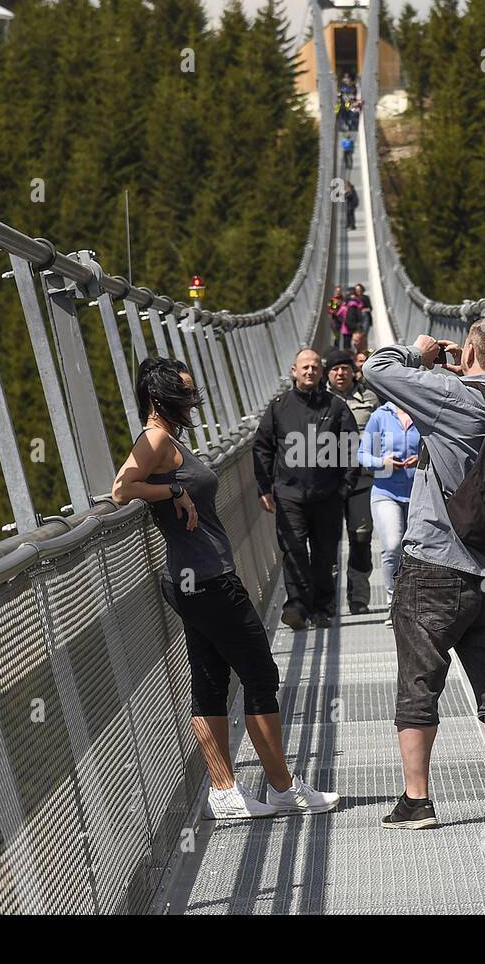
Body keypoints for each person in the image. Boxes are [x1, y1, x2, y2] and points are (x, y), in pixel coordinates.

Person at [111, 357, 339, 819]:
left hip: (191, 579)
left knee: (211, 682)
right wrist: (172, 492)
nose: (193, 402)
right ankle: (282, 788)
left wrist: (173, 491)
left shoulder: (168, 439)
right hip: (208, 581)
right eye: (185, 394)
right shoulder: (155, 438)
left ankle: (224, 792)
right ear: (161, 398)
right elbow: (121, 488)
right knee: (259, 675)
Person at [361, 318, 485, 831]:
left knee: (418, 682)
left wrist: (421, 352)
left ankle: (418, 801)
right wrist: (467, 369)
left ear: (472, 353)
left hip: (435, 562)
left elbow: (376, 368)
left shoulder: (451, 396)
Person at [253, 348, 359, 631]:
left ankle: (323, 608)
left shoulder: (336, 407)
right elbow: (262, 447)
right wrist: (264, 488)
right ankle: (297, 607)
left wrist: (345, 486)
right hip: (289, 496)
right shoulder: (278, 407)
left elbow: (351, 447)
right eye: (305, 367)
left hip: (328, 496)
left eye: (315, 367)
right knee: (294, 551)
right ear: (294, 371)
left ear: (320, 372)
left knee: (324, 554)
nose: (310, 371)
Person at [358, 401, 420, 627]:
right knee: (393, 546)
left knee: (420, 551)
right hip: (386, 492)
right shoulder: (380, 416)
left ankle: (416, 603)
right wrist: (381, 462)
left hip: (419, 494)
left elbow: (438, 450)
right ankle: (394, 603)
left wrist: (423, 459)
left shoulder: (423, 411)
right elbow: (362, 455)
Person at [326, 349, 379, 615]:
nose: (340, 373)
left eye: (345, 368)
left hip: (362, 481)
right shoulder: (316, 400)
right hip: (328, 484)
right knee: (327, 542)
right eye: (335, 368)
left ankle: (358, 598)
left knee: (361, 540)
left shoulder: (370, 398)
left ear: (352, 371)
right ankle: (329, 601)